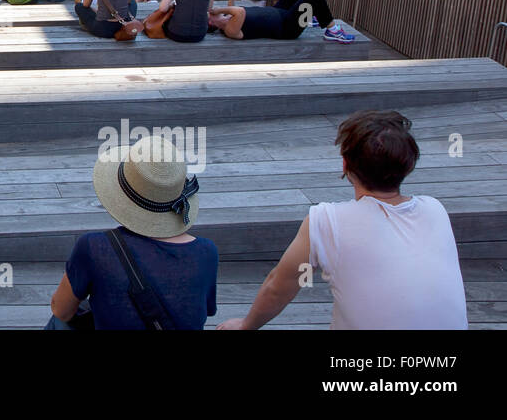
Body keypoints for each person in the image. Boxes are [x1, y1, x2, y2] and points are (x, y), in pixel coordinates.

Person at [218, 110, 467, 330]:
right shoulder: (435, 210)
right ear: (409, 166)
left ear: (345, 163)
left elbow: (280, 285)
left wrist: (246, 326)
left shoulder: (327, 221)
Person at [47, 134, 218, 330]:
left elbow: (61, 310)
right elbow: (203, 310)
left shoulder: (94, 248)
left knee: (62, 321)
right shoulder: (207, 252)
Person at [210, 0, 355, 43]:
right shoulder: (229, 30)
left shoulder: (227, 17)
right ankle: (333, 31)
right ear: (212, 22)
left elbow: (232, 7)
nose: (210, 12)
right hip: (287, 28)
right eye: (209, 15)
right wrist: (218, 9)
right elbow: (239, 12)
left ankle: (307, 18)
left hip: (277, 11)